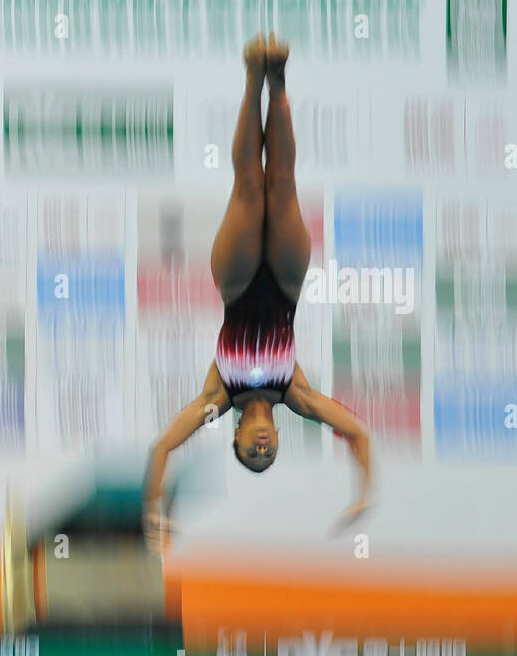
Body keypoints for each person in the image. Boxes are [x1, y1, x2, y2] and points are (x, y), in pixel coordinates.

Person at [143, 35, 371, 551]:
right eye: (269, 456)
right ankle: (280, 85)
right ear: (277, 440)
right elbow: (359, 435)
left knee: (250, 184)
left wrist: (153, 511)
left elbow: (162, 448)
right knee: (283, 182)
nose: (262, 449)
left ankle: (252, 80)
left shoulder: (217, 397)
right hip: (287, 282)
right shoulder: (297, 395)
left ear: (237, 437)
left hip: (238, 281)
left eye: (251, 453)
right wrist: (363, 496)